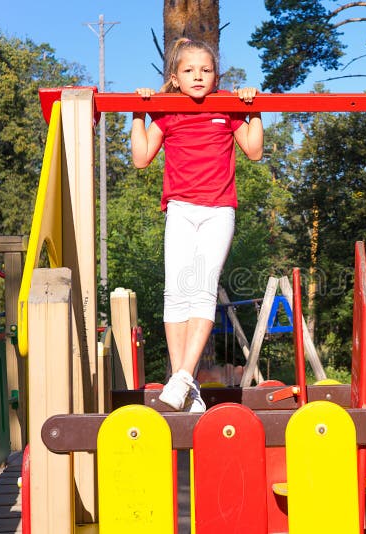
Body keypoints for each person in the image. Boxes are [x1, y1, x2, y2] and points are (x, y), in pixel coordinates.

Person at [131, 38, 263, 412]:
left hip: (218, 211)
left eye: (206, 70)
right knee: (176, 292)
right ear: (174, 78)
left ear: (216, 74)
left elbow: (253, 150)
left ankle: (183, 378)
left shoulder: (226, 105)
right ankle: (185, 385)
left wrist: (253, 107)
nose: (198, 76)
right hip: (181, 209)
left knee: (202, 290)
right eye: (189, 70)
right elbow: (141, 158)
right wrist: (139, 111)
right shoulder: (168, 110)